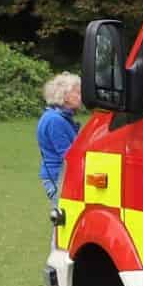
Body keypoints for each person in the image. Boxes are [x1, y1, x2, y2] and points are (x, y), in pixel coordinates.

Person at [37, 74, 82, 212]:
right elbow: (68, 154)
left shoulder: (57, 117)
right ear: (66, 96)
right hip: (58, 178)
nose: (82, 96)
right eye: (78, 92)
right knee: (64, 223)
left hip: (59, 176)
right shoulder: (55, 120)